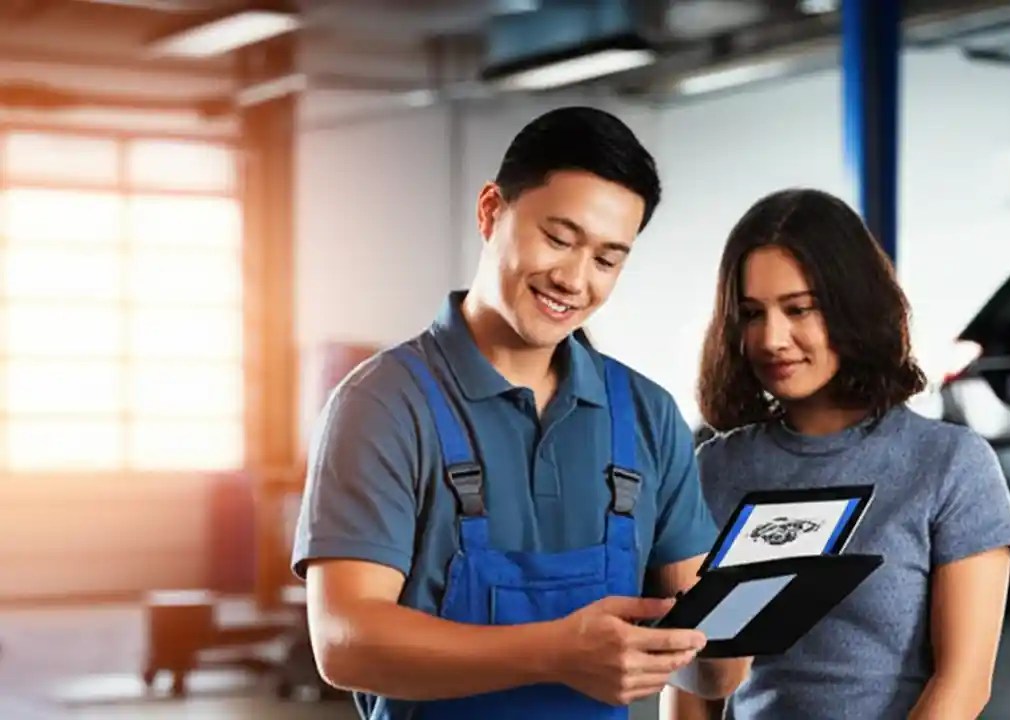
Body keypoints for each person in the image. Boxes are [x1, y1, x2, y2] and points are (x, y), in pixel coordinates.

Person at [292, 106, 750, 720]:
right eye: (558, 239)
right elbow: (347, 642)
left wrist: (755, 605)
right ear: (491, 211)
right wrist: (556, 653)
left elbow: (710, 669)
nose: (574, 278)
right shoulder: (383, 404)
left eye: (607, 259)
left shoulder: (646, 415)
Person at [671, 188, 1010, 720]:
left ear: (851, 307)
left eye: (799, 310)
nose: (772, 339)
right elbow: (694, 686)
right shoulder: (715, 469)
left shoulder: (950, 465)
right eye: (751, 314)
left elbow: (964, 684)